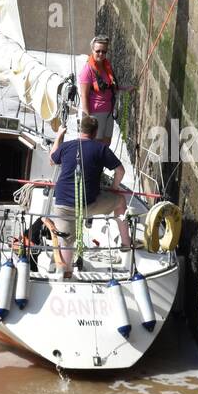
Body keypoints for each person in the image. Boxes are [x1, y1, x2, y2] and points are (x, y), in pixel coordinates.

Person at [43, 116, 132, 278]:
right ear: (95, 132)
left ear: (80, 130)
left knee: (67, 243)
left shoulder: (67, 146)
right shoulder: (101, 148)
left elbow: (51, 159)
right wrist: (114, 188)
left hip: (63, 205)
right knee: (120, 202)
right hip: (88, 204)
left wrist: (58, 136)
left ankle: (67, 272)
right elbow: (120, 171)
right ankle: (126, 244)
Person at [78, 34, 129, 143]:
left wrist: (125, 88)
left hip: (108, 112)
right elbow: (84, 96)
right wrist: (88, 119)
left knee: (106, 142)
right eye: (98, 51)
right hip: (95, 114)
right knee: (96, 144)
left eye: (104, 52)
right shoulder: (87, 70)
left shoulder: (106, 66)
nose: (101, 54)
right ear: (92, 50)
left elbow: (110, 86)